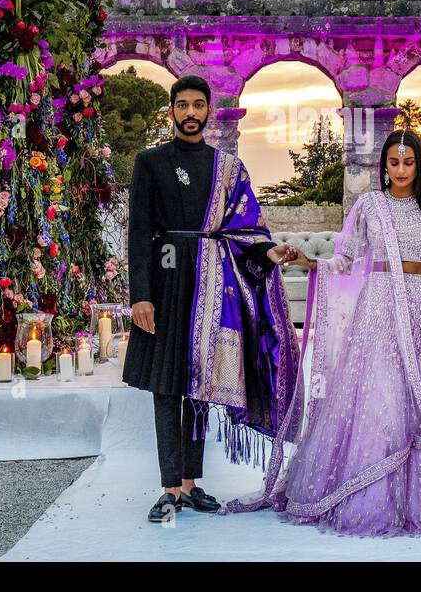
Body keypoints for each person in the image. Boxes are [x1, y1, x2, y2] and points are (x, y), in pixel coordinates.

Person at [224, 128, 421, 536]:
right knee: (380, 391)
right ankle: (371, 493)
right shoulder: (370, 205)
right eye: (394, 162)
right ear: (383, 166)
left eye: (409, 162)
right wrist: (309, 261)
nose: (402, 169)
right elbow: (346, 260)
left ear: (420, 164)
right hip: (378, 306)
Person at [125, 74, 299, 523]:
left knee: (198, 387)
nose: (190, 113)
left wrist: (269, 251)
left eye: (197, 105)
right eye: (181, 105)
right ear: (171, 112)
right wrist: (140, 296)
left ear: (208, 111)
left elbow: (246, 230)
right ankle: (168, 489)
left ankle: (190, 484)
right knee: (166, 387)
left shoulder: (227, 168)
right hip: (165, 285)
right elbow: (139, 234)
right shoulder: (150, 162)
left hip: (210, 289)